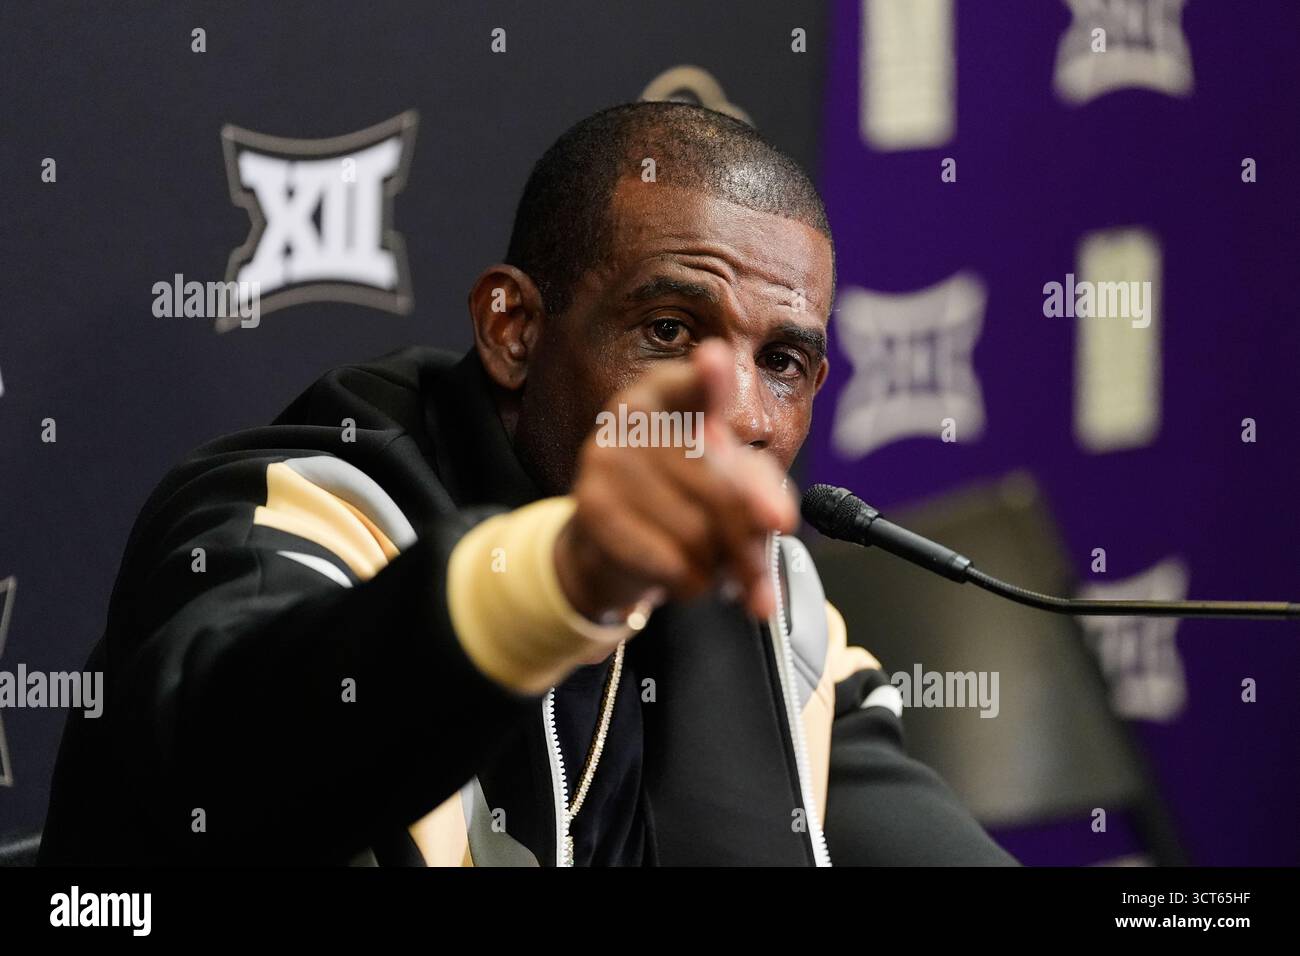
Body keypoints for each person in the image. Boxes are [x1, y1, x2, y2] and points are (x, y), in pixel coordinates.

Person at [39, 102, 1015, 866]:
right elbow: (224, 769)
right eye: (669, 330)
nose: (742, 413)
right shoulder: (300, 507)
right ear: (513, 328)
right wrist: (560, 576)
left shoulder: (767, 602)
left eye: (785, 362)